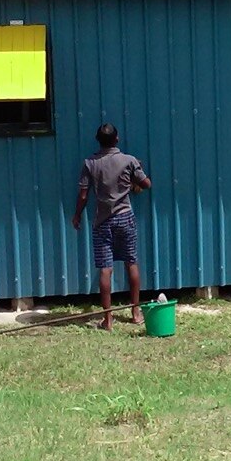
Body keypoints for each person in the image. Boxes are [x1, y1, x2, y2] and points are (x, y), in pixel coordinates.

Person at [72, 123, 151, 330]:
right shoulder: (129, 160)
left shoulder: (90, 163)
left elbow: (83, 195)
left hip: (102, 221)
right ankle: (135, 313)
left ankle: (108, 320)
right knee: (130, 262)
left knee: (105, 269)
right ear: (117, 139)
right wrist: (135, 175)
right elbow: (146, 184)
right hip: (125, 217)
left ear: (98, 140)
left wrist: (77, 215)